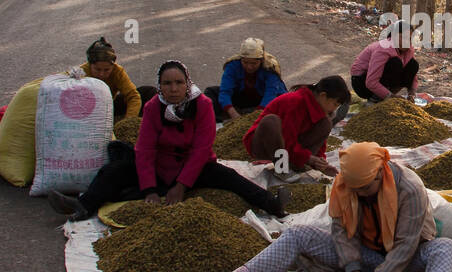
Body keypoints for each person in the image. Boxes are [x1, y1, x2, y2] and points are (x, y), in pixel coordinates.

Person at [198, 142, 452, 272]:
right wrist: (353, 269)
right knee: (297, 233)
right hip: (366, 253)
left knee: (445, 246)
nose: (358, 194)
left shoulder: (410, 188)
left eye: (366, 189)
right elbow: (341, 228)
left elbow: (406, 243)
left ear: (381, 173)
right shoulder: (345, 184)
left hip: (408, 262)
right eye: (354, 189)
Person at [45, 60, 293, 221]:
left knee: (230, 178)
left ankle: (271, 204)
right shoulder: (154, 106)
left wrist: (181, 186)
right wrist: (150, 189)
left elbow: (201, 149)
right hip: (159, 164)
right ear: (160, 86)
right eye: (167, 84)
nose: (173, 88)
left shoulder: (203, 105)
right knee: (115, 170)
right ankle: (82, 205)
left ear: (187, 84)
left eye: (178, 83)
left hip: (194, 167)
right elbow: (144, 148)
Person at [243, 76, 351, 177]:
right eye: (335, 104)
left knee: (326, 123)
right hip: (263, 145)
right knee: (271, 121)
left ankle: (296, 165)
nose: (334, 109)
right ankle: (282, 169)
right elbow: (287, 139)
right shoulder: (295, 102)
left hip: (288, 148)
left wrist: (320, 164)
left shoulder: (320, 110)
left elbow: (319, 144)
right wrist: (308, 158)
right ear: (323, 96)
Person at [203, 37, 287, 122]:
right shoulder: (233, 65)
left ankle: (250, 113)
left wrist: (256, 115)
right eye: (245, 62)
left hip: (263, 99)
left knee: (283, 104)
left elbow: (270, 94)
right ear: (241, 59)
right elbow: (225, 91)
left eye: (254, 63)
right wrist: (233, 113)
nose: (249, 67)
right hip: (243, 96)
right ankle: (212, 120)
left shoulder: (269, 68)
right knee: (211, 92)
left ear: (261, 61)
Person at [350, 25, 419, 102]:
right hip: (361, 83)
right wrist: (391, 97)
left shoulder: (408, 49)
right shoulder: (384, 48)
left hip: (378, 82)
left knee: (413, 64)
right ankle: (377, 98)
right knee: (395, 63)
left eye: (409, 39)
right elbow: (370, 82)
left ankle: (386, 94)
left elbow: (412, 74)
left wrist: (412, 93)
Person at [82, 37, 143, 121]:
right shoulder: (82, 72)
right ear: (89, 65)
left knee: (146, 91)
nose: (101, 74)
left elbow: (133, 96)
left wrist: (128, 121)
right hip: (88, 111)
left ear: (113, 66)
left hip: (109, 106)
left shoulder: (117, 71)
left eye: (106, 70)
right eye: (97, 69)